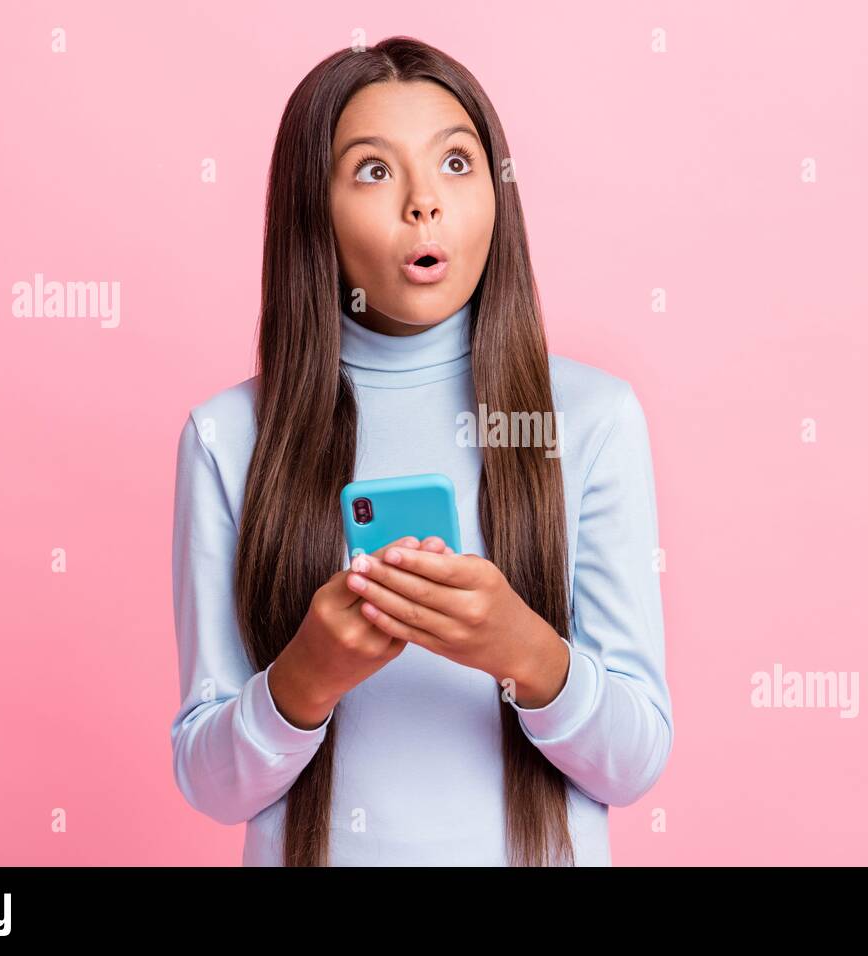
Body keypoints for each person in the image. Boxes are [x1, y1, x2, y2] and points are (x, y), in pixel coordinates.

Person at [170, 36, 672, 866]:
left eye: (456, 164)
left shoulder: (592, 418)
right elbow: (211, 785)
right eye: (374, 170)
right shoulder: (227, 438)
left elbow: (635, 760)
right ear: (311, 210)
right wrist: (307, 676)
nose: (423, 204)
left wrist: (523, 652)